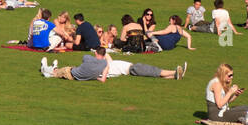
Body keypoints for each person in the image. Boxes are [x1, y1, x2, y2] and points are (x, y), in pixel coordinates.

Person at [41, 49, 185, 81]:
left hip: (130, 67)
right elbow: (105, 70)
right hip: (130, 68)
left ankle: (174, 75)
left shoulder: (104, 64)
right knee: (153, 70)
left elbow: (107, 59)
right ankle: (173, 72)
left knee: (153, 72)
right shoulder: (105, 66)